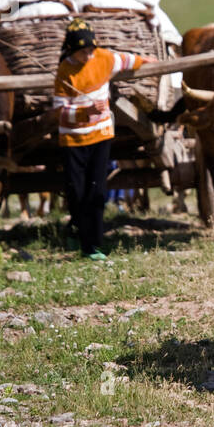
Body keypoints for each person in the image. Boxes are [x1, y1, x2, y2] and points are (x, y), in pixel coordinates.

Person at [52, 18, 145, 260]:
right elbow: (59, 111)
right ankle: (79, 230)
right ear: (72, 49)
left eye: (91, 49)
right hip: (73, 140)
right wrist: (84, 112)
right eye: (84, 50)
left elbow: (125, 60)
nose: (89, 55)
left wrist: (145, 61)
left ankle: (92, 246)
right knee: (77, 192)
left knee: (98, 192)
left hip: (101, 136)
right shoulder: (65, 70)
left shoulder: (104, 58)